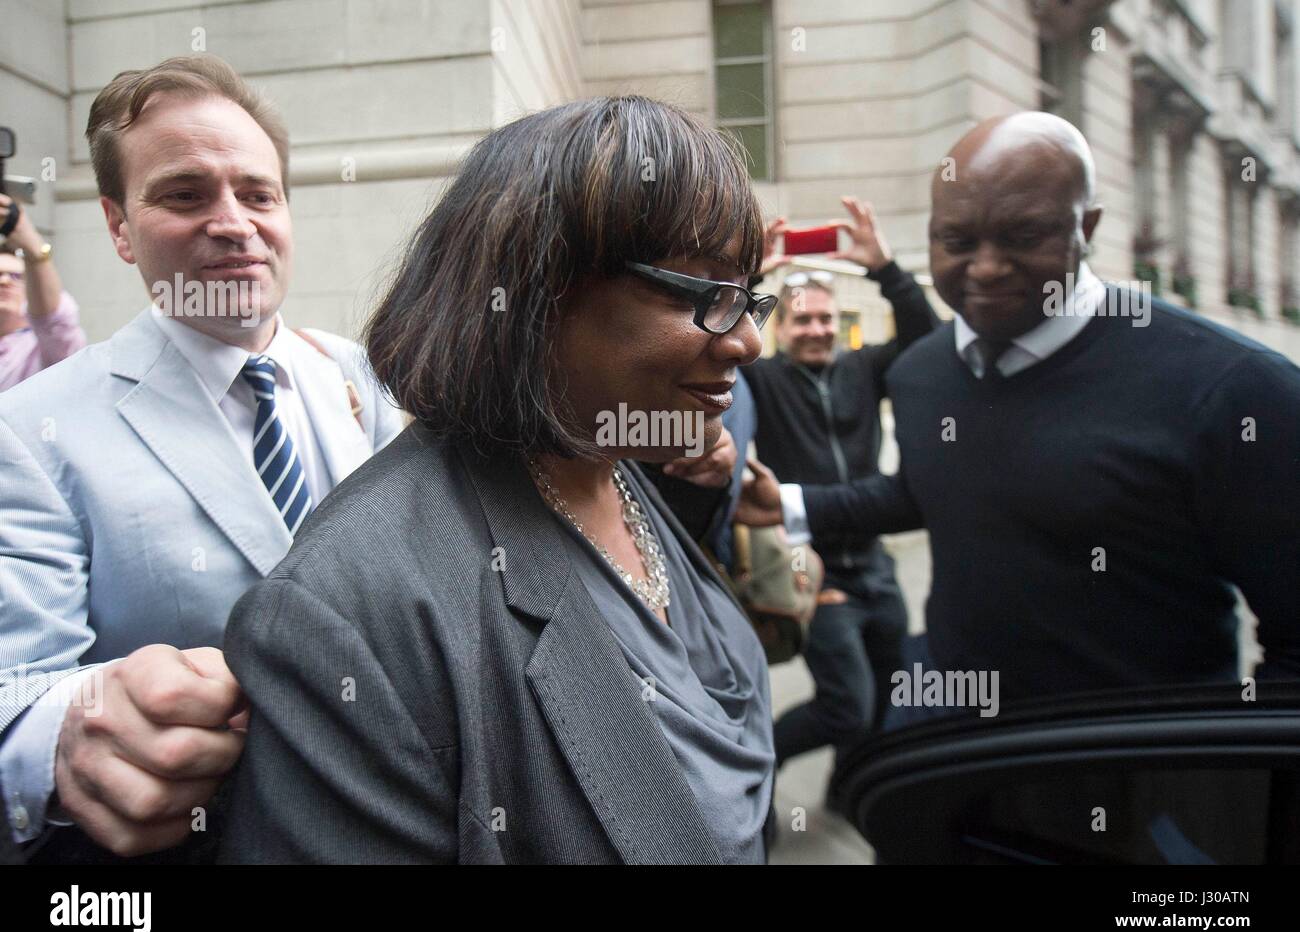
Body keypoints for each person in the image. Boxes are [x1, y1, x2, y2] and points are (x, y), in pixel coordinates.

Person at [219, 95, 778, 864]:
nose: (747, 339)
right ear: (538, 291)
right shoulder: (350, 612)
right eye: (704, 294)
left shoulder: (617, 470)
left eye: (749, 296)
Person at [740, 112, 1300, 713]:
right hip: (960, 751)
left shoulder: (1236, 390)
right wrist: (792, 505)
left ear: (1086, 227)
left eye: (1023, 236)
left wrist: (1235, 787)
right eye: (957, 242)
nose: (986, 268)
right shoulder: (919, 373)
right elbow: (929, 489)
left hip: (1150, 773)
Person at [0, 54, 405, 860]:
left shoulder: (365, 378)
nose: (233, 221)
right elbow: (17, 691)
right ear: (119, 227)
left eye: (259, 193)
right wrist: (73, 727)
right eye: (185, 194)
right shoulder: (27, 427)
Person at [741, 200, 936, 777]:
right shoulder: (764, 377)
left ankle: (850, 794)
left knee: (887, 698)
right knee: (848, 708)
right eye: (802, 320)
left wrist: (886, 269)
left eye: (825, 319)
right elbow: (716, 340)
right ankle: (754, 769)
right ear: (781, 327)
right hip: (813, 571)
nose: (817, 330)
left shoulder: (864, 368)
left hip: (877, 570)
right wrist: (754, 278)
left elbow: (926, 345)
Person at [0, 193, 86, 391]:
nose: (4, 281)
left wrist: (33, 250)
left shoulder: (45, 348)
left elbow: (52, 321)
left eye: (15, 276)